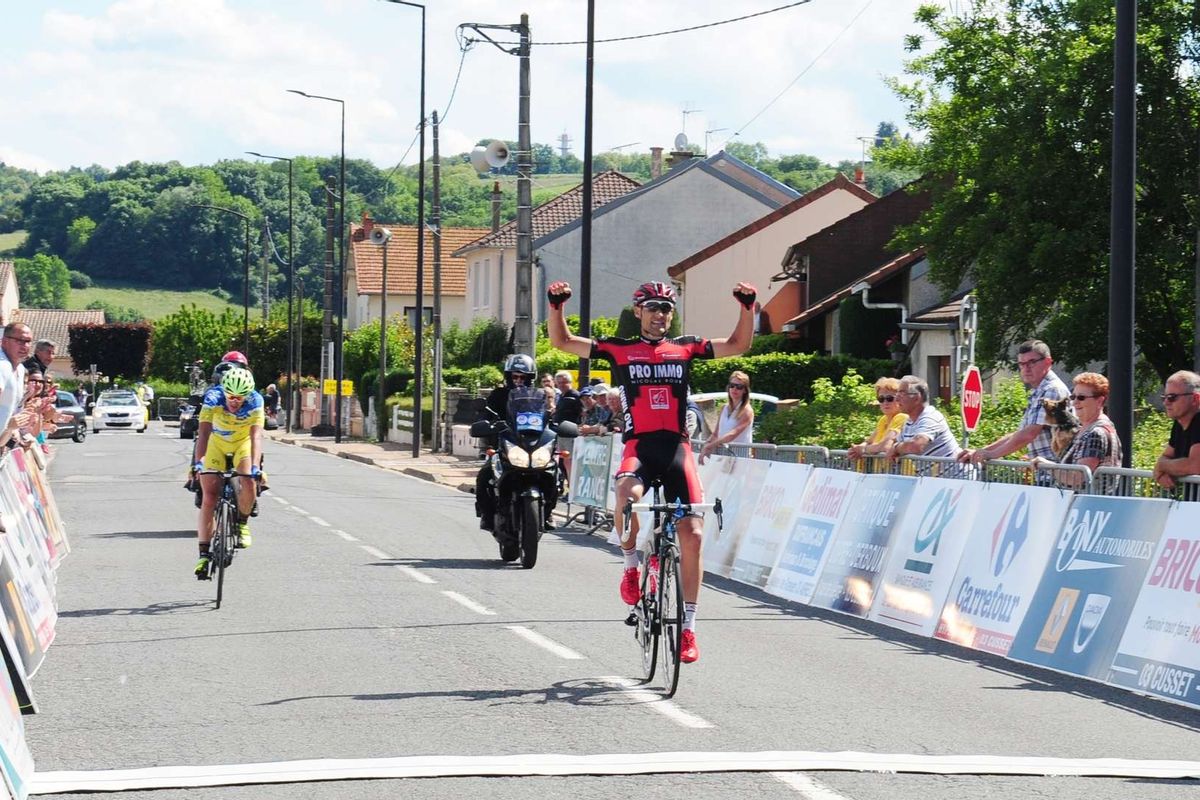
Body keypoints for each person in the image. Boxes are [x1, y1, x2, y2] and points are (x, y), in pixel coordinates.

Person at [548, 278, 757, 664]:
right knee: (626, 493)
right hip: (640, 446)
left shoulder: (686, 347)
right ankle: (630, 567)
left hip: (676, 449)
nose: (660, 315)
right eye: (653, 308)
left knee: (692, 535)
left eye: (666, 309)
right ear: (638, 312)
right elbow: (563, 342)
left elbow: (738, 346)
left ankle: (690, 628)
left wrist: (747, 308)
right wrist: (556, 307)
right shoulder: (619, 348)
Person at [193, 366, 264, 579]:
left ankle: (242, 523)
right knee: (209, 498)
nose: (235, 401)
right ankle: (204, 555)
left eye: (240, 398)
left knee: (249, 483)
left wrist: (255, 467)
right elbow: (204, 432)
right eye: (231, 397)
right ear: (224, 391)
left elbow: (256, 437)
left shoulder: (255, 401)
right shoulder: (213, 397)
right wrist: (199, 462)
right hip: (217, 443)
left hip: (242, 443)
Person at [475, 353, 554, 531]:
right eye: (515, 376)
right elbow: (485, 415)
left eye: (523, 377)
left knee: (553, 473)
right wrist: (487, 423)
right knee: (484, 477)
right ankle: (487, 516)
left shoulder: (539, 396)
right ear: (508, 377)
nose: (518, 380)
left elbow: (547, 417)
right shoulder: (498, 395)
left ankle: (548, 512)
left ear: (530, 378)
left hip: (531, 445)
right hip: (506, 444)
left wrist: (554, 423)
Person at [957, 340, 1069, 465]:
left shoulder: (1052, 390)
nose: (1026, 369)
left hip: (1058, 474)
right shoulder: (1039, 391)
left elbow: (1030, 433)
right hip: (1046, 473)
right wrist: (982, 451)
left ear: (1048, 362)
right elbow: (1019, 434)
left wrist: (991, 454)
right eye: (1021, 364)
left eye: (1031, 362)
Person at [1031, 372, 1121, 487]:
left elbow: (1078, 477)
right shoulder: (1087, 429)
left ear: (1099, 400)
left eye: (1081, 397)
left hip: (1087, 503)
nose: (1075, 402)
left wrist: (1047, 465)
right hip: (1078, 501)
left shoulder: (1096, 433)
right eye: (1073, 397)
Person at [888, 375, 961, 470]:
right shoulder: (909, 422)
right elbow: (895, 443)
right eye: (897, 394)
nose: (897, 399)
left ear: (917, 398)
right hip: (937, 481)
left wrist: (896, 448)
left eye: (902, 394)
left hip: (957, 479)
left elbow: (916, 446)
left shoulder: (930, 417)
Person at [848, 377, 909, 469]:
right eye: (881, 399)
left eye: (890, 398)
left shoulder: (902, 417)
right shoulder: (883, 419)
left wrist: (863, 450)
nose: (885, 402)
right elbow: (869, 441)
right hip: (883, 472)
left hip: (900, 472)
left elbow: (885, 446)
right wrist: (859, 447)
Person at [1153, 370, 1200, 489]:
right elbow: (1166, 456)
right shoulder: (1179, 423)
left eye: (1172, 397)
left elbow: (1195, 466)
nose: (1166, 403)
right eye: (1164, 397)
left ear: (1195, 398)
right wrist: (1162, 466)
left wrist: (1162, 466)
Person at [700, 370, 754, 463]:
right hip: (724, 456)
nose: (734, 389)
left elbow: (732, 434)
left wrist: (711, 445)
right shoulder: (724, 408)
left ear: (745, 390)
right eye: (732, 385)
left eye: (739, 387)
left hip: (740, 458)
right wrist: (705, 446)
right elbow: (715, 433)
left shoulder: (747, 410)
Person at [0, 324, 33, 444]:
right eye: (19, 341)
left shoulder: (20, 369)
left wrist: (12, 426)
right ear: (4, 342)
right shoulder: (2, 366)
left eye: (28, 341)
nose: (25, 346)